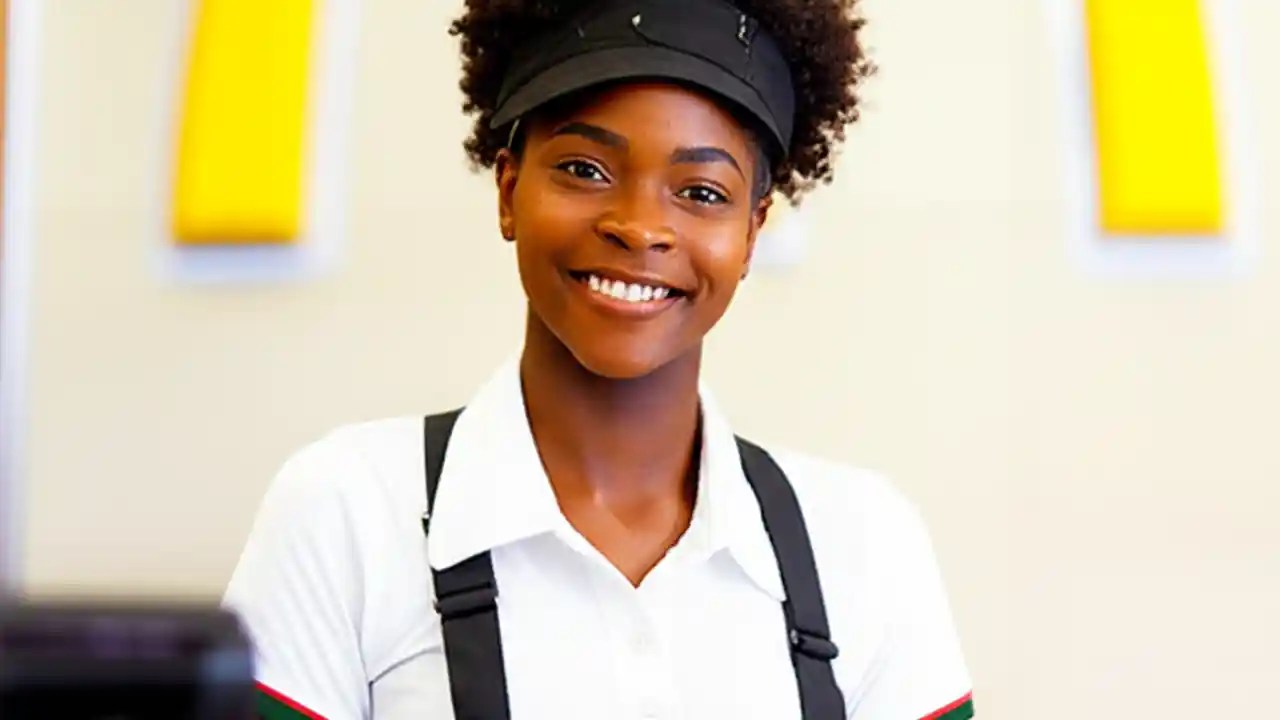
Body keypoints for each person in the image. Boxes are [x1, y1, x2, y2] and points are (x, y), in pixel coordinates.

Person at [224, 0, 975, 718]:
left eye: (702, 190)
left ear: (752, 232)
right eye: (586, 170)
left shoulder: (865, 541)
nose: (641, 226)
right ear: (509, 188)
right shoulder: (348, 513)